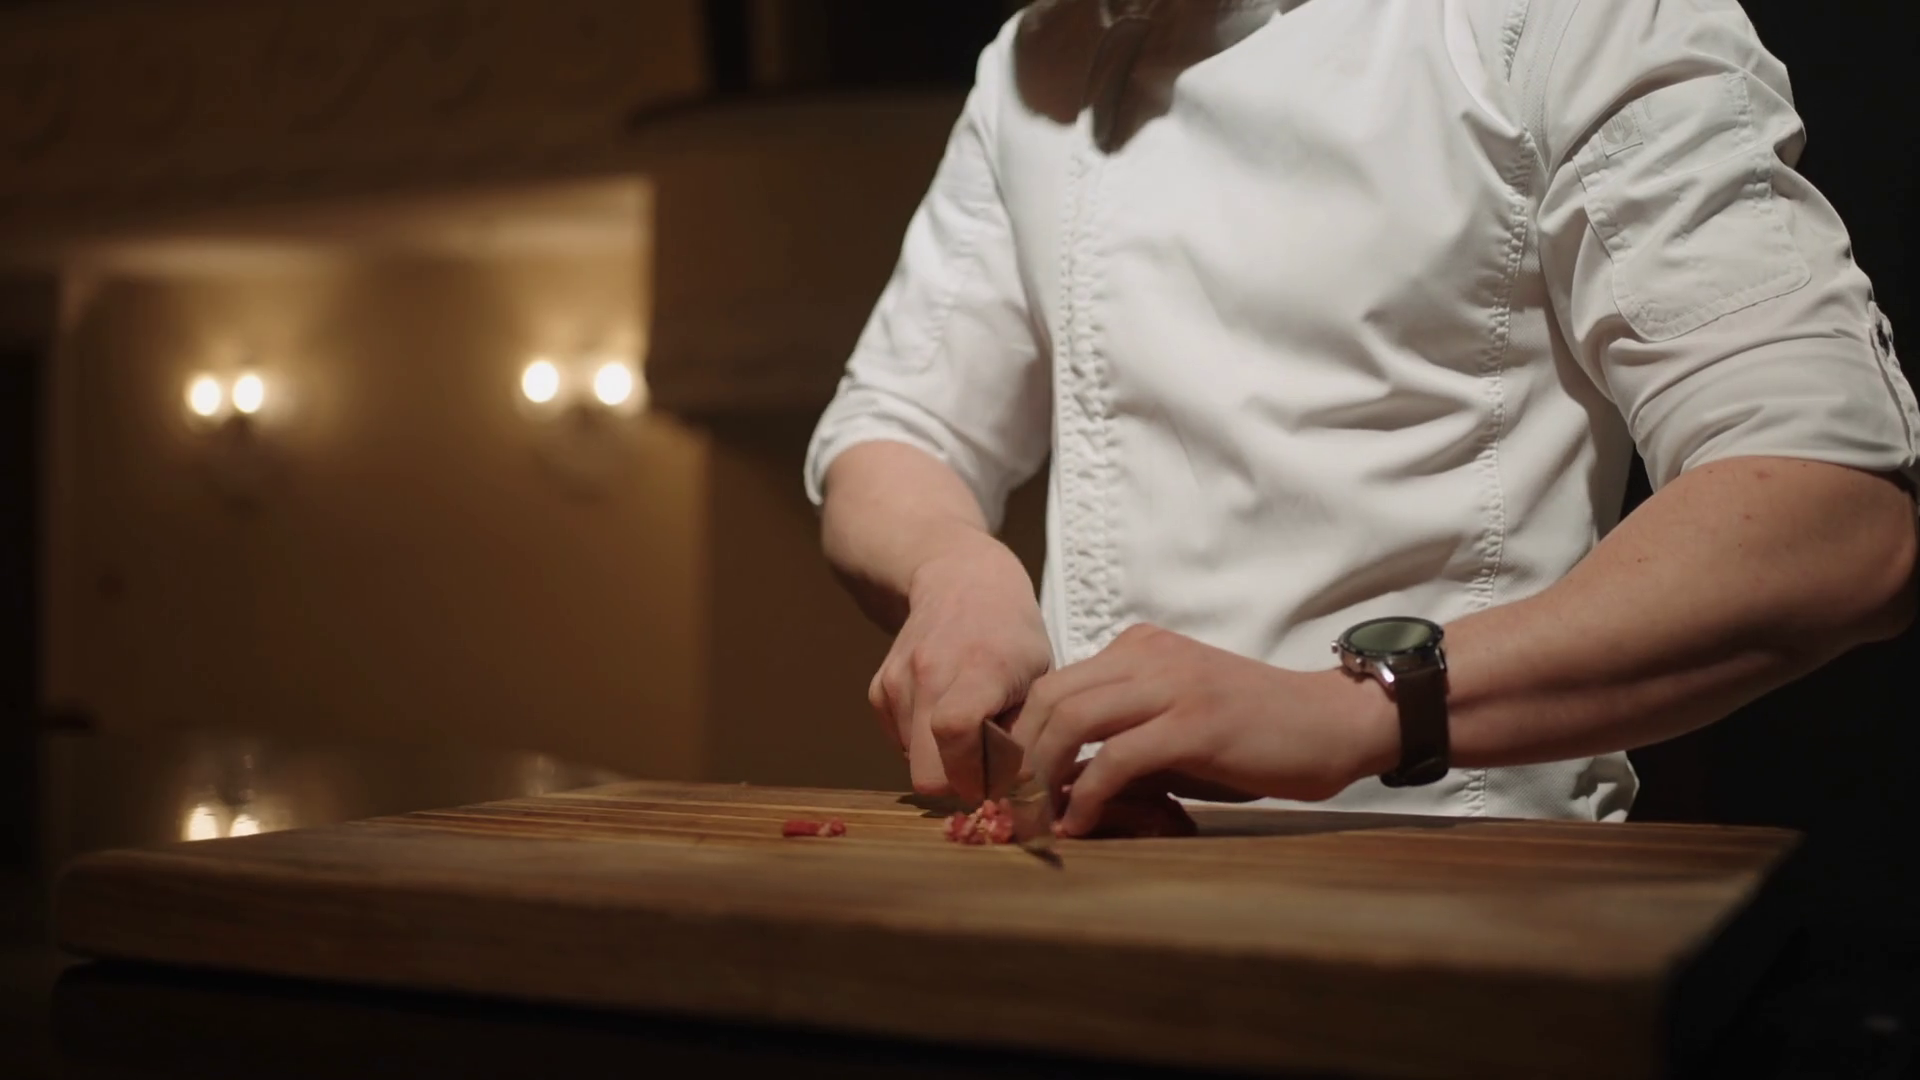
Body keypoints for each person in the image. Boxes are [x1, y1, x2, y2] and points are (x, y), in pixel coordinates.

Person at [804, 0, 1920, 834]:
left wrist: (1358, 710)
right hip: (1099, 863)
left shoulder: (1572, 17)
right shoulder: (1039, 59)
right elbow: (893, 428)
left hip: (1467, 884)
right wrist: (952, 570)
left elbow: (1832, 516)